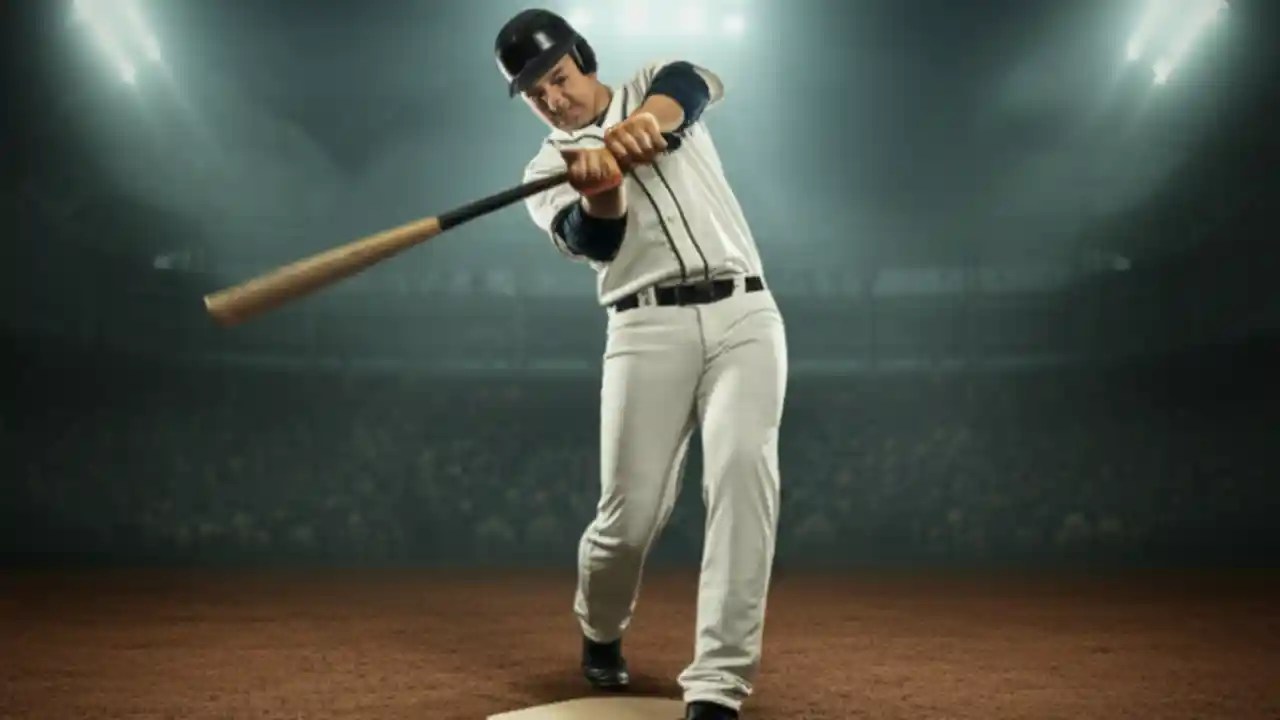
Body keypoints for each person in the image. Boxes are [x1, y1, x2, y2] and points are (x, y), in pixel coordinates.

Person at [494, 9, 789, 720]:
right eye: (536, 94)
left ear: (582, 58)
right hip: (642, 327)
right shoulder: (543, 169)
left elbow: (690, 88)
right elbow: (595, 240)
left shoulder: (654, 80)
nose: (554, 99)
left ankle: (718, 686)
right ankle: (600, 629)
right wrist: (600, 186)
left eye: (558, 78)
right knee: (629, 520)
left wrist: (647, 123)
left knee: (742, 471)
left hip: (744, 312)